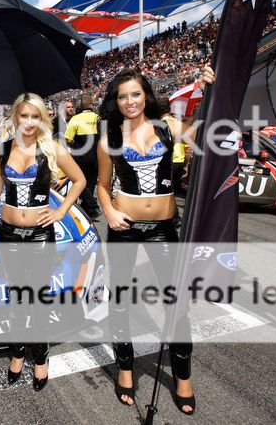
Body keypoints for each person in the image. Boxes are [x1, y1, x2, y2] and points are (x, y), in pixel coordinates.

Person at [97, 66, 214, 415]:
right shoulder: (109, 138)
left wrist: (208, 95)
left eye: (135, 93)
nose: (129, 101)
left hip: (164, 227)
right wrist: (110, 213)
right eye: (122, 96)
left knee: (176, 303)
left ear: (145, 94)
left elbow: (203, 138)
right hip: (123, 226)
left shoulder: (167, 125)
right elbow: (102, 186)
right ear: (114, 102)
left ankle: (182, 377)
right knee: (120, 301)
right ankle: (126, 368)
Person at [0, 93, 86, 392]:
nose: (28, 122)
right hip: (9, 234)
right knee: (17, 301)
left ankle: (41, 359)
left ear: (42, 118)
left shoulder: (51, 147)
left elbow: (80, 180)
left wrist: (61, 210)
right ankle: (17, 354)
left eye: (34, 116)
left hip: (39, 236)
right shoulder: (3, 149)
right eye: (23, 116)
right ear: (15, 117)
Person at [64, 94, 101, 220]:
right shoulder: (98, 118)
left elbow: (68, 139)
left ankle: (92, 207)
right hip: (96, 156)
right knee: (90, 184)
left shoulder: (75, 119)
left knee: (80, 181)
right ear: (91, 105)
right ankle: (88, 210)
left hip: (80, 156)